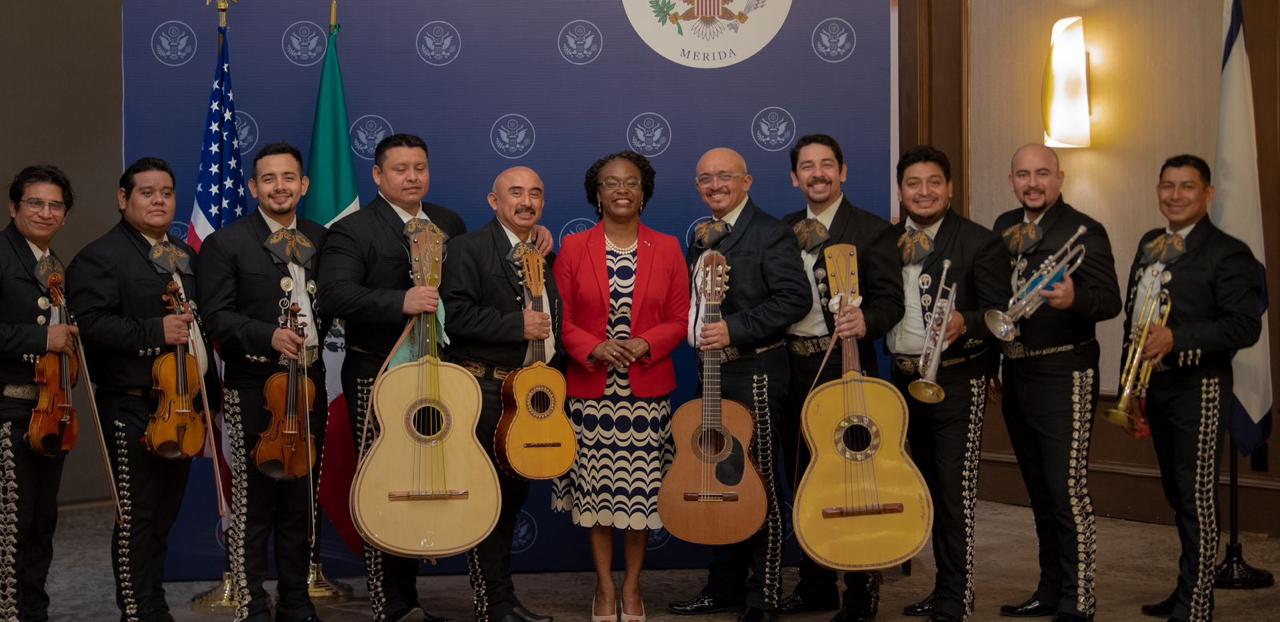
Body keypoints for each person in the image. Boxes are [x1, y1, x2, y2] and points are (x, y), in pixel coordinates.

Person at [317, 133, 462, 622]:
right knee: (385, 486)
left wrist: (533, 244)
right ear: (378, 176)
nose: (412, 176)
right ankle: (390, 602)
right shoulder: (353, 231)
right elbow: (334, 296)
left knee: (429, 483)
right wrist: (398, 301)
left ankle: (412, 597)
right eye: (400, 169)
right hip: (376, 376)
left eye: (419, 167)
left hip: (441, 379)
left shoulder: (448, 223)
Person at [68, 157, 220, 621]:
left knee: (162, 521)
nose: (159, 200)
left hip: (184, 408)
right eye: (147, 192)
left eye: (166, 192)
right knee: (137, 519)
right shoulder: (100, 257)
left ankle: (153, 608)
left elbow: (200, 335)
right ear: (123, 199)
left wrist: (209, 400)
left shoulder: (185, 256)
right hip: (131, 407)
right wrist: (155, 331)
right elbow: (89, 327)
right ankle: (137, 612)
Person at [667, 148, 811, 622]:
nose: (715, 185)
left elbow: (795, 298)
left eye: (724, 176)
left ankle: (764, 593)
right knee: (715, 476)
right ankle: (723, 586)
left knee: (760, 484)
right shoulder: (700, 236)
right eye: (705, 178)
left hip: (757, 373)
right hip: (712, 375)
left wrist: (737, 328)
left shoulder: (771, 233)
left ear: (746, 181)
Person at [1119, 155, 1260, 622]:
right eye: (1168, 186)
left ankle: (1196, 603)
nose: (1175, 196)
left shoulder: (1228, 252)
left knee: (1195, 498)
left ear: (1208, 194)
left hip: (1200, 387)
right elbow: (1134, 319)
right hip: (1154, 388)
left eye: (1187, 187)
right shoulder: (1149, 243)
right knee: (1177, 494)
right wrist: (1130, 388)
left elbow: (1244, 327)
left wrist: (1179, 337)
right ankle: (1186, 587)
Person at [551, 151, 690, 622]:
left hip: (646, 397)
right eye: (610, 183)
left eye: (630, 182)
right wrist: (593, 348)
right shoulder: (573, 249)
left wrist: (644, 343)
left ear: (644, 191)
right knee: (598, 496)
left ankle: (632, 587)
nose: (621, 189)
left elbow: (678, 319)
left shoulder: (668, 248)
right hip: (591, 394)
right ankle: (604, 586)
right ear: (597, 194)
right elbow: (560, 318)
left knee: (640, 497)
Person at [196, 142, 328, 622]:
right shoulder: (226, 243)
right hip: (253, 385)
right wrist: (268, 336)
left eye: (288, 178)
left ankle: (296, 600)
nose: (280, 187)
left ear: (303, 185)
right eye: (269, 179)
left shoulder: (321, 238)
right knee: (252, 503)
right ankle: (250, 602)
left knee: (300, 499)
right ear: (253, 187)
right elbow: (215, 317)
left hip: (311, 383)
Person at [880, 145, 1010, 622]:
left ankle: (958, 597)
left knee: (955, 492)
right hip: (903, 381)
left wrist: (968, 321)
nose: (924, 192)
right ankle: (942, 589)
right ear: (901, 190)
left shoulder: (979, 241)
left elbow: (1001, 311)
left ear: (950, 188)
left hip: (958, 379)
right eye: (913, 183)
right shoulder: (886, 241)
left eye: (934, 182)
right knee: (926, 491)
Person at [778, 134, 904, 622]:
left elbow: (892, 301)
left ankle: (860, 593)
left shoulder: (872, 230)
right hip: (794, 367)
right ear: (795, 178)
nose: (818, 174)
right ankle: (814, 586)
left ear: (843, 172)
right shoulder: (782, 230)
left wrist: (867, 321)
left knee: (853, 477)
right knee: (806, 477)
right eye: (807, 167)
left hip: (846, 366)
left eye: (827, 164)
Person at [993, 144, 1121, 622]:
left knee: (1067, 490)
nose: (1033, 182)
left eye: (1042, 173)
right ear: (1012, 181)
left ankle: (1079, 598)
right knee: (1040, 491)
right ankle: (1049, 589)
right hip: (1018, 372)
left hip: (1066, 372)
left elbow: (1109, 301)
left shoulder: (1085, 230)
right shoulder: (1004, 225)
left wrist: (1073, 298)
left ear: (1060, 177)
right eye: (1023, 174)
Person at [438, 166, 560, 622]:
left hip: (532, 395)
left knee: (511, 502)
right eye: (515, 193)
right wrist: (516, 326)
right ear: (494, 202)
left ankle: (499, 600)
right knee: (490, 500)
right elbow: (455, 318)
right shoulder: (468, 249)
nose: (526, 201)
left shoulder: (544, 251)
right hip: (488, 392)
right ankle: (495, 604)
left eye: (535, 193)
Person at [0, 165, 76, 621]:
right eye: (35, 203)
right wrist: (40, 341)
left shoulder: (52, 263)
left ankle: (33, 612)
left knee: (41, 523)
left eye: (55, 205)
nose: (45, 212)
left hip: (50, 409)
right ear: (14, 207)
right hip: (7, 408)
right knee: (11, 524)